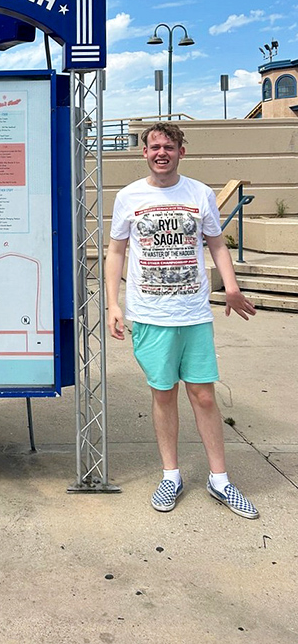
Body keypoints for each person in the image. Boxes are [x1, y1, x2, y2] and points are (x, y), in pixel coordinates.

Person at [105, 122, 259, 519]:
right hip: (150, 314)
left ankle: (219, 479)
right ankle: (170, 475)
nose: (161, 152)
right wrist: (113, 304)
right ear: (144, 153)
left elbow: (217, 243)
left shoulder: (200, 193)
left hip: (193, 312)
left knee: (204, 395)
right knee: (163, 394)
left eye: (168, 146)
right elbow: (116, 252)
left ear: (180, 151)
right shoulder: (128, 197)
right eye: (154, 146)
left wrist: (232, 286)